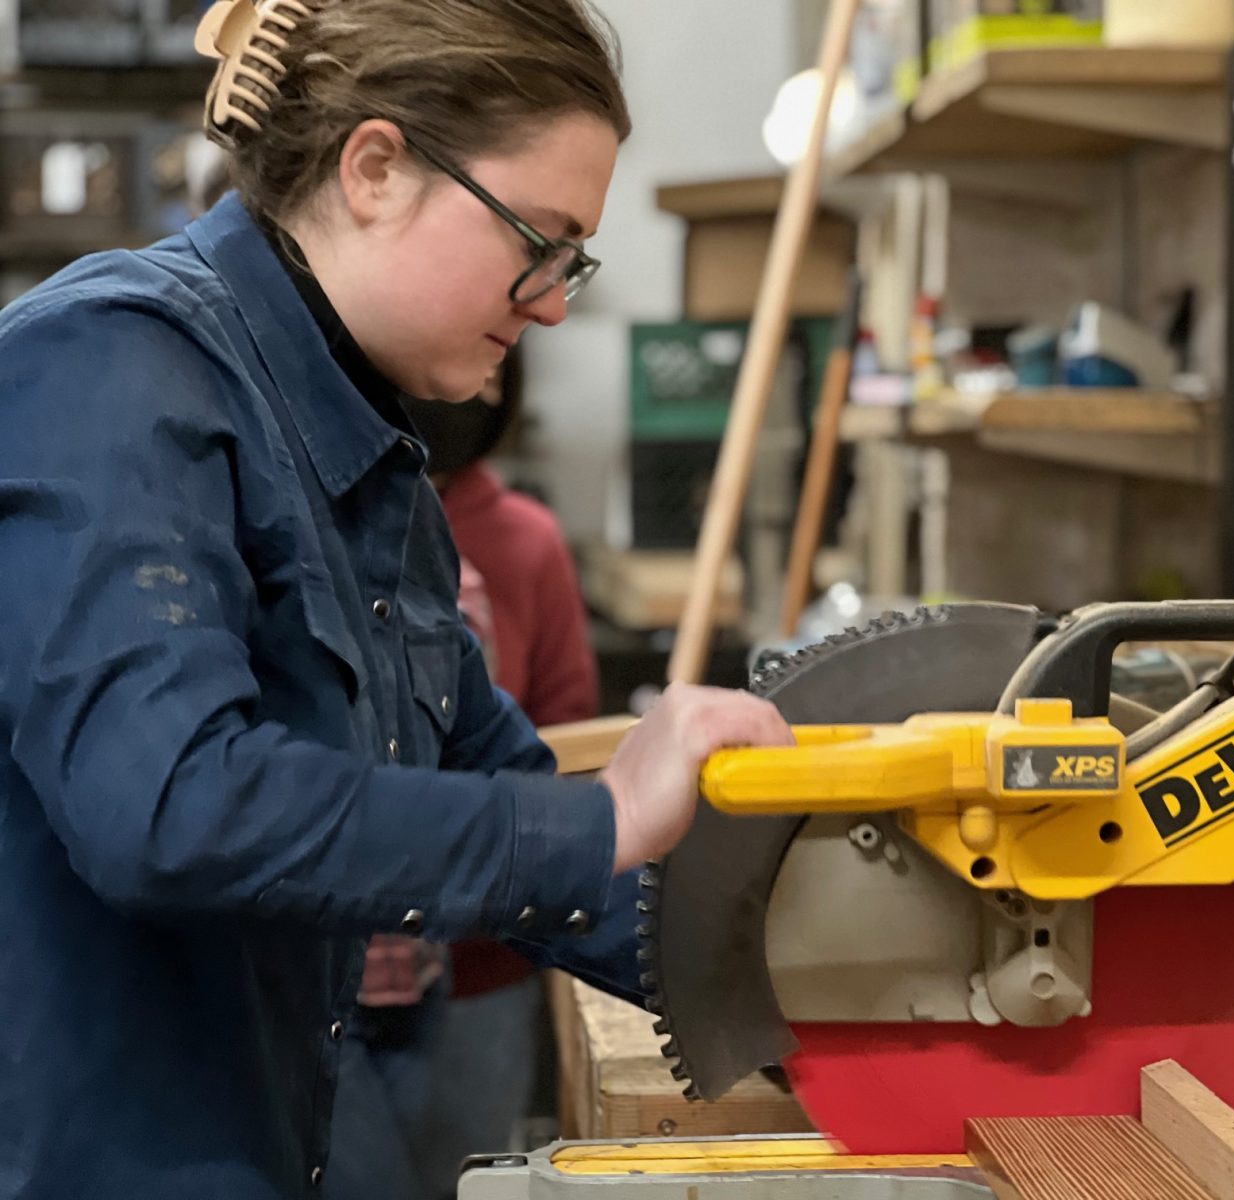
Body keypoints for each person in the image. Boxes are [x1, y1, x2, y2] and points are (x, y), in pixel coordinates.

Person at [0, 2, 792, 1198]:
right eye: (542, 238)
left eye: (573, 259)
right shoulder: (110, 368)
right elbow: (166, 808)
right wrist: (603, 817)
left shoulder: (374, 473)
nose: (554, 302)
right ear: (374, 168)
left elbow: (496, 803)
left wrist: (827, 972)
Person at [323, 368, 602, 1200]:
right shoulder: (310, 528)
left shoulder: (504, 544)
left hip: (470, 963)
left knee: (459, 1173)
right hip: (323, 966)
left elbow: (548, 750)